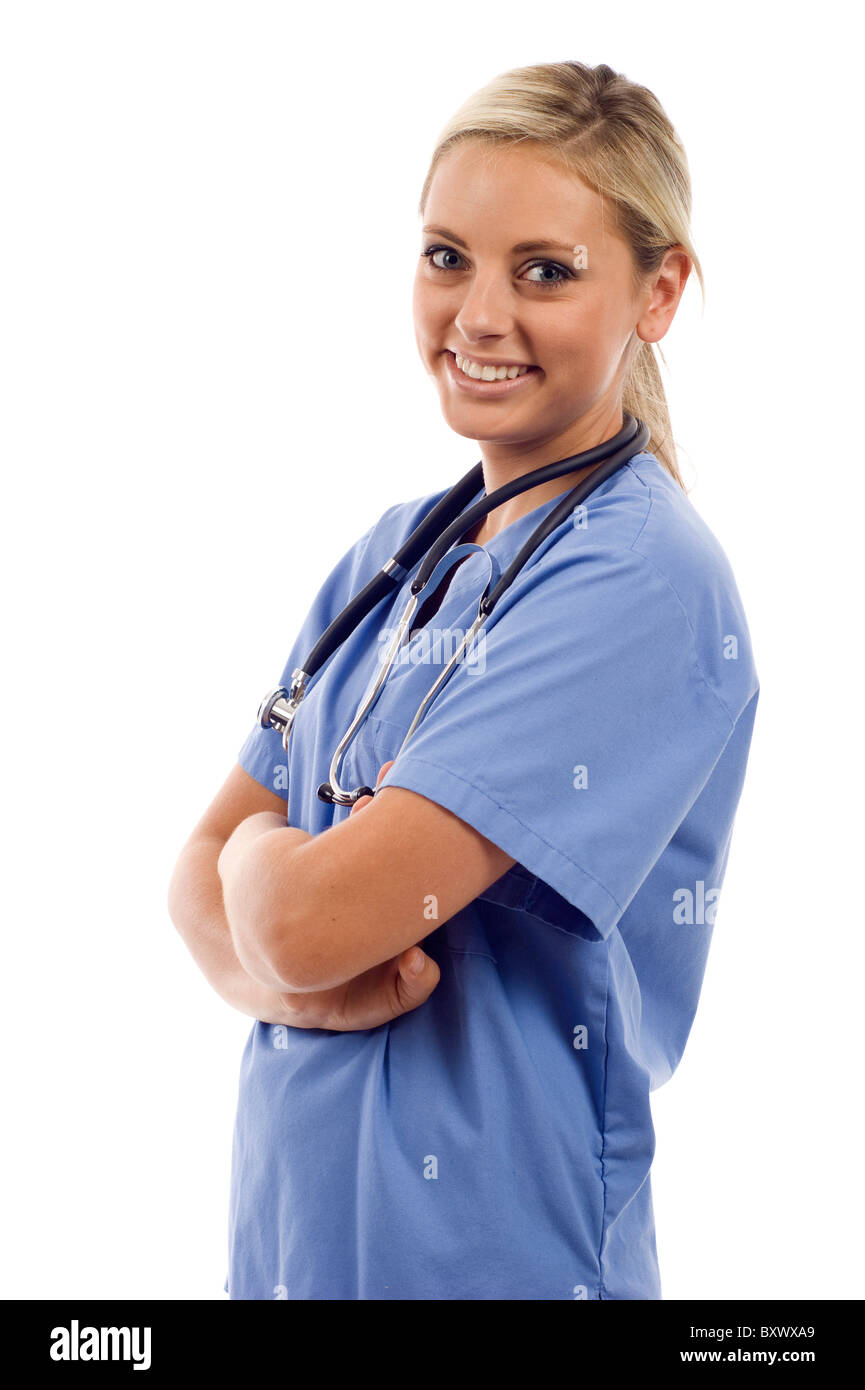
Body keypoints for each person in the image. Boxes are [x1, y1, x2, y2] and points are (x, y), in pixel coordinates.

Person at [168, 59, 759, 1301]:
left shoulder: (638, 583)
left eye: (544, 270)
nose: (478, 314)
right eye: (447, 256)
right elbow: (195, 887)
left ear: (659, 292)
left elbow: (295, 914)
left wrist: (266, 888)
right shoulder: (388, 560)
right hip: (296, 1255)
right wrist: (296, 974)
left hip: (495, 1263)